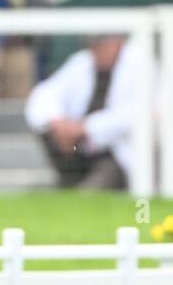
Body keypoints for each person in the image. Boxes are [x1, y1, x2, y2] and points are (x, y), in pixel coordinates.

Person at [24, 34, 142, 190]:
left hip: (114, 154)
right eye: (93, 45)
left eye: (102, 45)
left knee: (101, 180)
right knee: (48, 130)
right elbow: (43, 95)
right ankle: (70, 182)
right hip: (75, 148)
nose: (97, 50)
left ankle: (86, 190)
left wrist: (85, 128)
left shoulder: (139, 65)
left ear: (117, 43)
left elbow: (133, 115)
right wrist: (59, 123)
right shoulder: (82, 62)